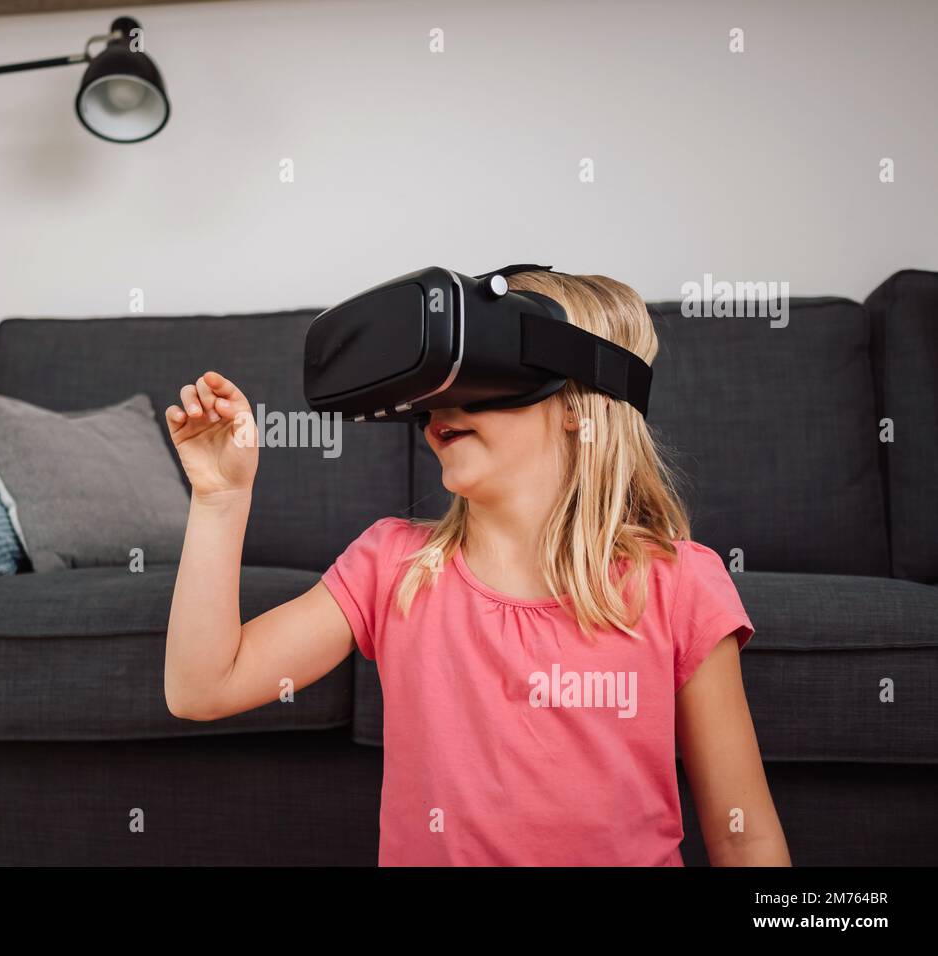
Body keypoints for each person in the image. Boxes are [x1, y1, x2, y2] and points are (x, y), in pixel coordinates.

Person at [162, 269, 790, 866]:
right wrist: (220, 499)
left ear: (576, 402)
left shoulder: (677, 584)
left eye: (479, 378)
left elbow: (744, 838)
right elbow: (203, 689)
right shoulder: (392, 567)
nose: (441, 410)